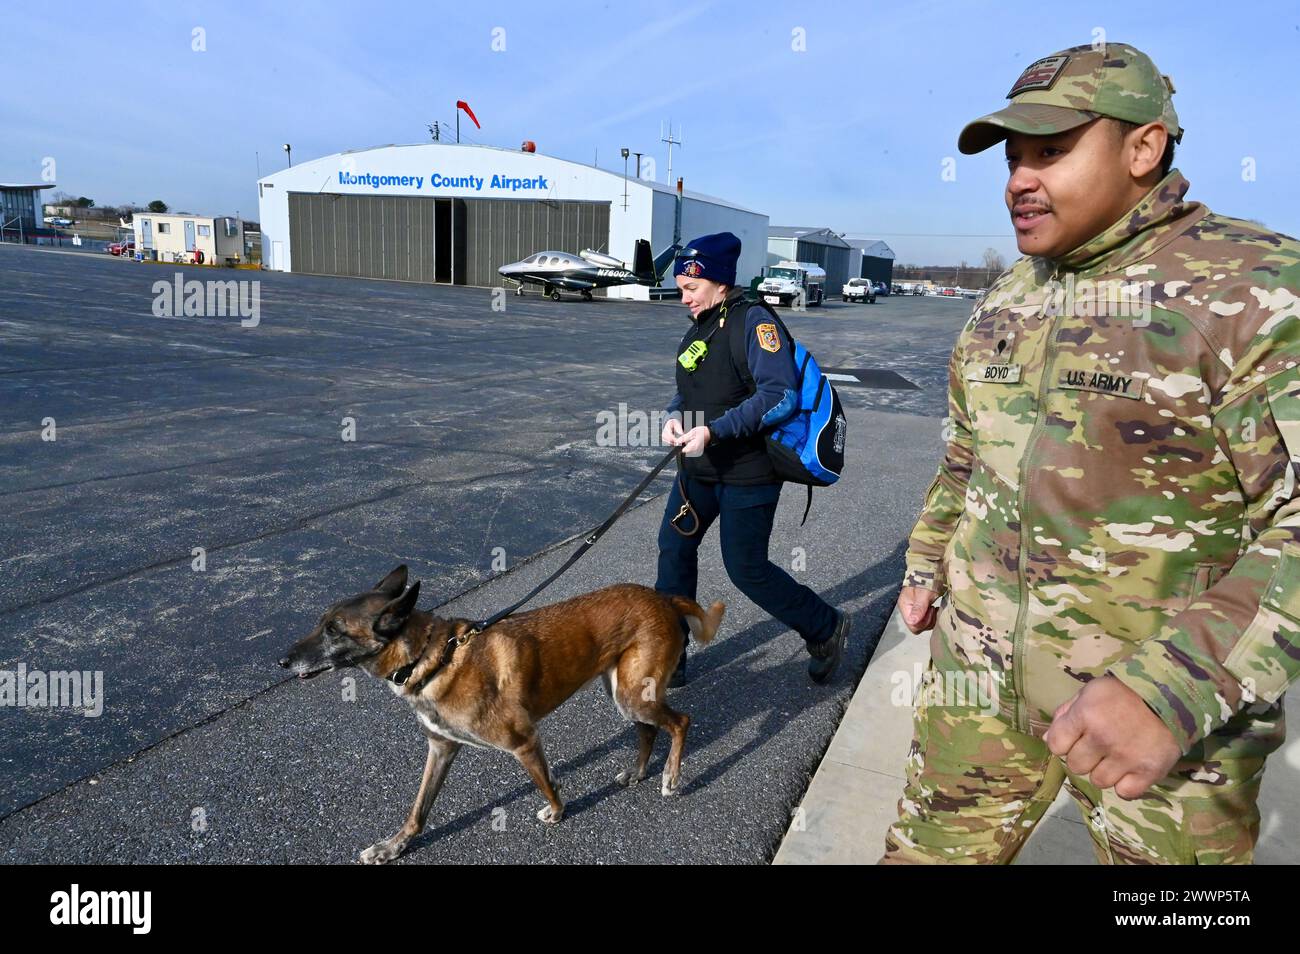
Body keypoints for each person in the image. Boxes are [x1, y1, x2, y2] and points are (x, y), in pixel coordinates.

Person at [884, 42, 1300, 864]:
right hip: (977, 690)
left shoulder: (1252, 287)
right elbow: (966, 456)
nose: (1018, 181)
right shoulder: (1006, 298)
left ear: (1144, 148)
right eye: (1012, 160)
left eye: (1051, 150)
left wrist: (1175, 688)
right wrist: (926, 563)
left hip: (1162, 734)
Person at [656, 232, 851, 687]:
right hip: (697, 470)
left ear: (720, 282)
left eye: (691, 288)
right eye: (682, 288)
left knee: (746, 569)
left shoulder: (756, 322)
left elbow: (779, 395)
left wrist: (714, 430)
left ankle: (826, 626)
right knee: (674, 551)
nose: (683, 298)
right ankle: (670, 655)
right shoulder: (700, 323)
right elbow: (692, 387)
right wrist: (673, 417)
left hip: (748, 473)